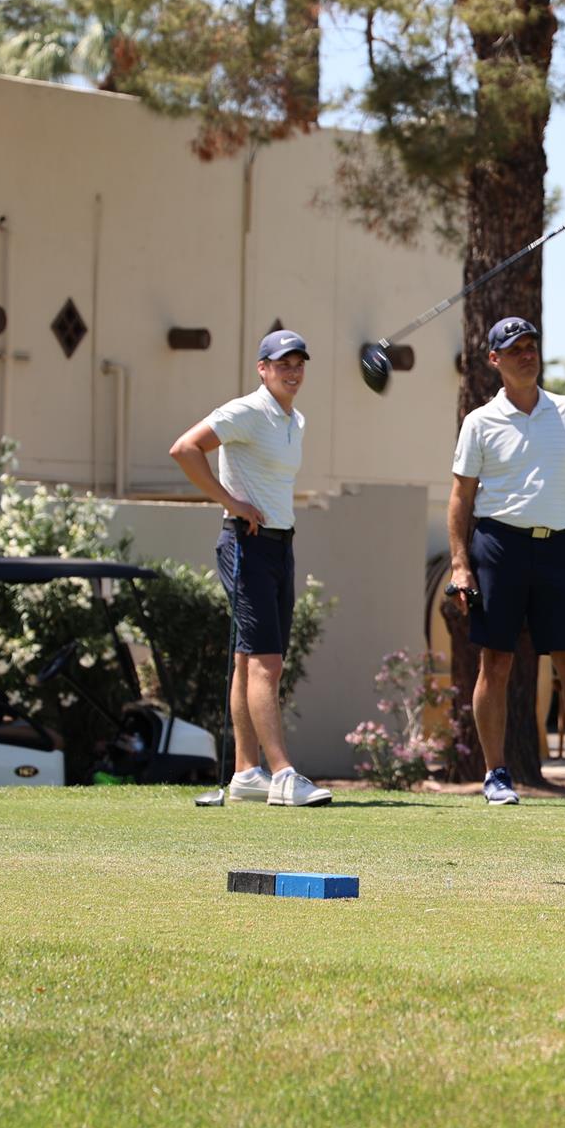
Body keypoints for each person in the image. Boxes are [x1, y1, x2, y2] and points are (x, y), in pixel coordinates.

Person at [447, 316, 565, 806]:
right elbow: (460, 496)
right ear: (494, 359)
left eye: (531, 346)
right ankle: (495, 774)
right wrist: (460, 563)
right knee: (495, 662)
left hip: (557, 547)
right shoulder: (479, 421)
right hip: (497, 548)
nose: (527, 354)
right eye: (515, 348)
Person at [169, 329, 332, 807]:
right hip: (246, 544)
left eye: (298, 363)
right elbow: (185, 448)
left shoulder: (295, 419)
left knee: (249, 661)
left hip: (280, 545)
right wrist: (231, 502)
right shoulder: (245, 410)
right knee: (267, 662)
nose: (292, 372)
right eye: (282, 364)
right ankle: (283, 774)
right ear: (262, 369)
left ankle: (246, 773)